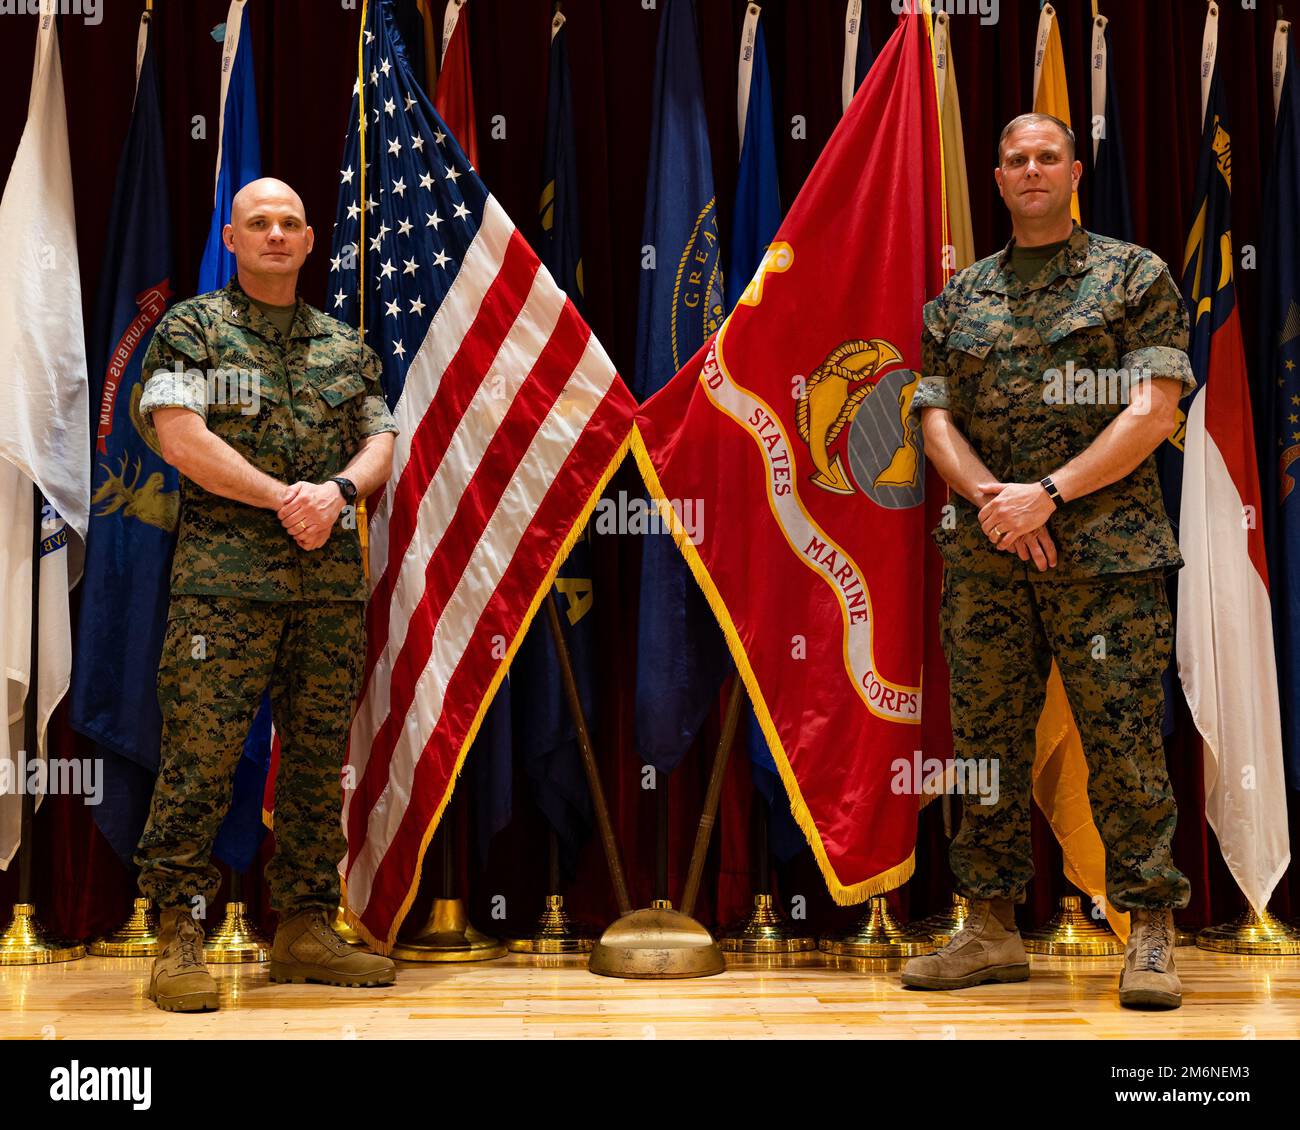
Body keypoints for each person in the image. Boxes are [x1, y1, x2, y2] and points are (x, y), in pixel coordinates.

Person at [900, 114, 1194, 1009]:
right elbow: (934, 418)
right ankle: (988, 925)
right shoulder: (957, 299)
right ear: (996, 179)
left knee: (1125, 741)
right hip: (992, 559)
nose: (1032, 171)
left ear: (1074, 173)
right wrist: (999, 502)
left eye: (1047, 158)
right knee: (984, 743)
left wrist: (1050, 495)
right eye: (1016, 160)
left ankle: (1147, 929)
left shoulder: (1133, 275)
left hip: (1106, 558)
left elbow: (1154, 410)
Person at [133, 178, 399, 1012]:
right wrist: (286, 495)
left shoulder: (344, 346)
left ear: (311, 240)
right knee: (201, 760)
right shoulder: (192, 331)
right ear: (232, 238)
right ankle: (177, 927)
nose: (276, 234)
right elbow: (180, 436)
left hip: (326, 590)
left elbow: (381, 437)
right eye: (260, 224)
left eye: (290, 223)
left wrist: (339, 495)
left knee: (319, 762)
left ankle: (307, 925)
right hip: (225, 589)